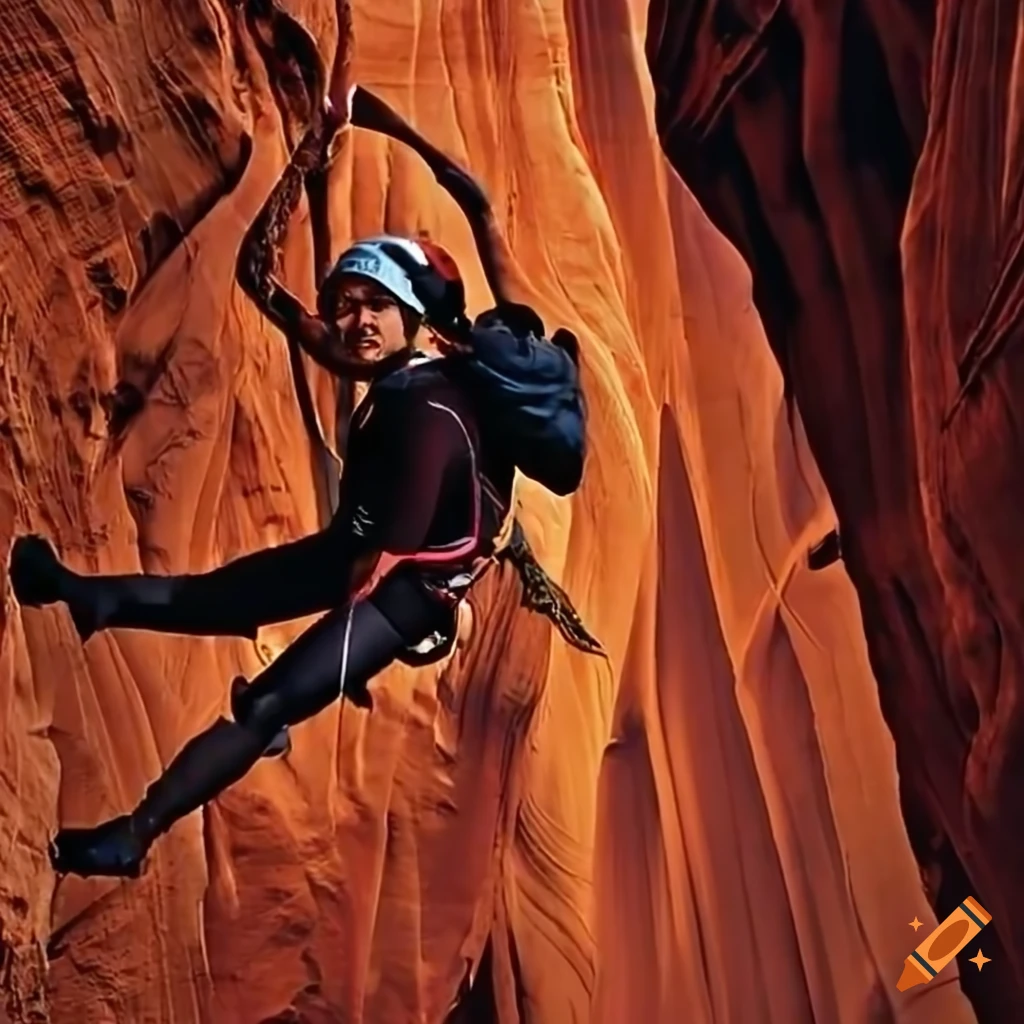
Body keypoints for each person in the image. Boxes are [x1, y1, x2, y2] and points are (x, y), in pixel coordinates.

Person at [9, 235, 522, 879]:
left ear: (411, 315)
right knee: (218, 594)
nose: (358, 322)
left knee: (268, 704)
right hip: (360, 555)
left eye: (377, 306)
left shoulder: (422, 405)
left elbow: (396, 540)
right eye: (347, 305)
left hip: (399, 596)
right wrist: (309, 153)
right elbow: (257, 274)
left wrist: (340, 653)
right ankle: (89, 596)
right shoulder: (391, 376)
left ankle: (133, 836)